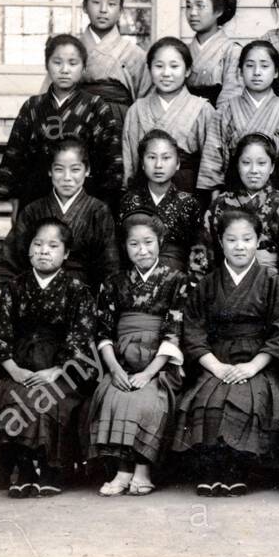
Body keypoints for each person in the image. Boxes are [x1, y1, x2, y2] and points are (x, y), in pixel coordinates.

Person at [172, 209, 279, 497]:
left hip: (258, 361)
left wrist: (253, 366)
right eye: (232, 240)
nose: (239, 246)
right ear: (221, 242)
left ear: (258, 241)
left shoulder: (272, 282)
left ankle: (236, 470)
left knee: (243, 399)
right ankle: (211, 469)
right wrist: (214, 365)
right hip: (217, 358)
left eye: (247, 239)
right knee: (208, 399)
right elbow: (193, 330)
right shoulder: (207, 284)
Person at [0, 219, 97, 497]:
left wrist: (57, 370)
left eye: (53, 246)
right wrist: (14, 370)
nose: (44, 251)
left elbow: (81, 338)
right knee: (12, 396)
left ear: (66, 253)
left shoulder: (78, 291)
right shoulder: (14, 288)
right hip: (20, 367)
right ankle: (23, 468)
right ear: (29, 250)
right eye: (38, 244)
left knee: (48, 400)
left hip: (62, 371)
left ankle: (49, 469)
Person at [86, 213, 188, 497]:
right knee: (114, 395)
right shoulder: (113, 282)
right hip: (121, 358)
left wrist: (148, 373)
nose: (142, 250)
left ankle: (143, 470)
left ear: (160, 242)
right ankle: (122, 471)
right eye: (134, 244)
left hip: (159, 363)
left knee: (145, 398)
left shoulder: (177, 280)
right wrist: (114, 368)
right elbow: (103, 331)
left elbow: (173, 332)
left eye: (148, 242)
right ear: (125, 247)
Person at [0, 33, 123, 212]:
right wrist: (15, 198)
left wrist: (105, 202)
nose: (65, 70)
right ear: (47, 65)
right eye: (57, 62)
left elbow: (111, 159)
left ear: (84, 67)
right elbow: (15, 154)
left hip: (85, 197)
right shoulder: (33, 107)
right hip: (36, 196)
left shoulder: (96, 107)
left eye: (73, 63)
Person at [0, 138, 118, 293]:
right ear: (50, 171)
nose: (67, 177)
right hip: (37, 292)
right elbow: (9, 263)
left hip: (83, 296)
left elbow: (110, 267)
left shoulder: (98, 211)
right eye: (59, 169)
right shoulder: (33, 210)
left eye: (75, 169)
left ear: (87, 170)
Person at [202, 133, 279, 305]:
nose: (254, 170)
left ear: (272, 166)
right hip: (227, 288)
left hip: (271, 289)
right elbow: (206, 255)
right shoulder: (220, 204)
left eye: (262, 163)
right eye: (246, 163)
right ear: (237, 165)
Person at [196, 40, 279, 193]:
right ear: (239, 72)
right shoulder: (226, 109)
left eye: (264, 66)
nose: (257, 72)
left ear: (276, 72)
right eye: (250, 65)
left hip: (276, 193)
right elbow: (213, 160)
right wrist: (215, 204)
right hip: (233, 191)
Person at [121, 37, 215, 193]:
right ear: (149, 69)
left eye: (174, 66)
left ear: (188, 70)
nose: (166, 73)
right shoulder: (137, 109)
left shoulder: (203, 109)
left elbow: (211, 163)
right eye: (159, 66)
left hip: (189, 191)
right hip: (145, 193)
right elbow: (130, 161)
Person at [118, 130, 204, 276]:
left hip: (176, 278)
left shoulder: (189, 203)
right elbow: (121, 247)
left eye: (166, 158)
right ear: (142, 164)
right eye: (151, 157)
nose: (158, 165)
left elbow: (197, 250)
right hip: (136, 274)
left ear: (177, 164)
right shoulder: (129, 201)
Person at [75, 0, 151, 122]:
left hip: (121, 127)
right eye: (96, 2)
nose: (103, 10)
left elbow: (146, 105)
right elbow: (51, 98)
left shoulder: (136, 55)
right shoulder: (71, 51)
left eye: (111, 4)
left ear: (121, 10)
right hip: (76, 127)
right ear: (84, 6)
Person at [185, 0, 243, 108]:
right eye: (188, 6)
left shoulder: (232, 51)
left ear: (219, 11)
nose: (192, 12)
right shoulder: (183, 51)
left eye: (200, 5)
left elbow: (231, 96)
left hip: (217, 119)